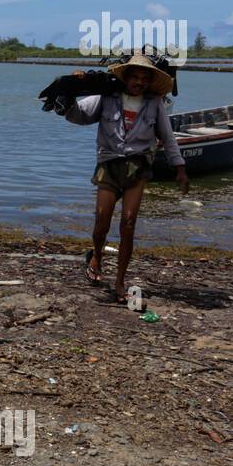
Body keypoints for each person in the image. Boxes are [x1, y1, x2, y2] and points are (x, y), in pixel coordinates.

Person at [66, 52, 190, 304]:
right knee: (102, 220)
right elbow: (78, 115)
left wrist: (180, 168)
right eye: (135, 77)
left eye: (145, 78)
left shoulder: (155, 103)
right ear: (126, 78)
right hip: (108, 165)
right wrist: (72, 89)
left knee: (129, 223)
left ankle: (120, 280)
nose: (139, 82)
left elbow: (168, 137)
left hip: (137, 167)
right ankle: (97, 256)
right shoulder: (106, 97)